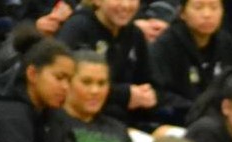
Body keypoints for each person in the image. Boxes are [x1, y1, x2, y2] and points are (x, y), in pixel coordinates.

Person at [57, 0, 159, 128]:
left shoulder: (135, 34)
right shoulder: (77, 28)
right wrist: (124, 94)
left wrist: (148, 95)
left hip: (127, 123)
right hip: (81, 122)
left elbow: (148, 81)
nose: (126, 5)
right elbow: (65, 83)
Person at [149, 0, 232, 123]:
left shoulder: (226, 44)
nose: (207, 14)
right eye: (198, 7)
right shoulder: (165, 46)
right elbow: (158, 94)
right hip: (176, 120)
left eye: (214, 8)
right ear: (182, 13)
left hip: (219, 120)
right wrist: (198, 110)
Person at [57, 50, 141, 142]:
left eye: (102, 83)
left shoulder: (117, 127)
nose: (95, 91)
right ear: (67, 83)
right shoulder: (51, 123)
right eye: (86, 82)